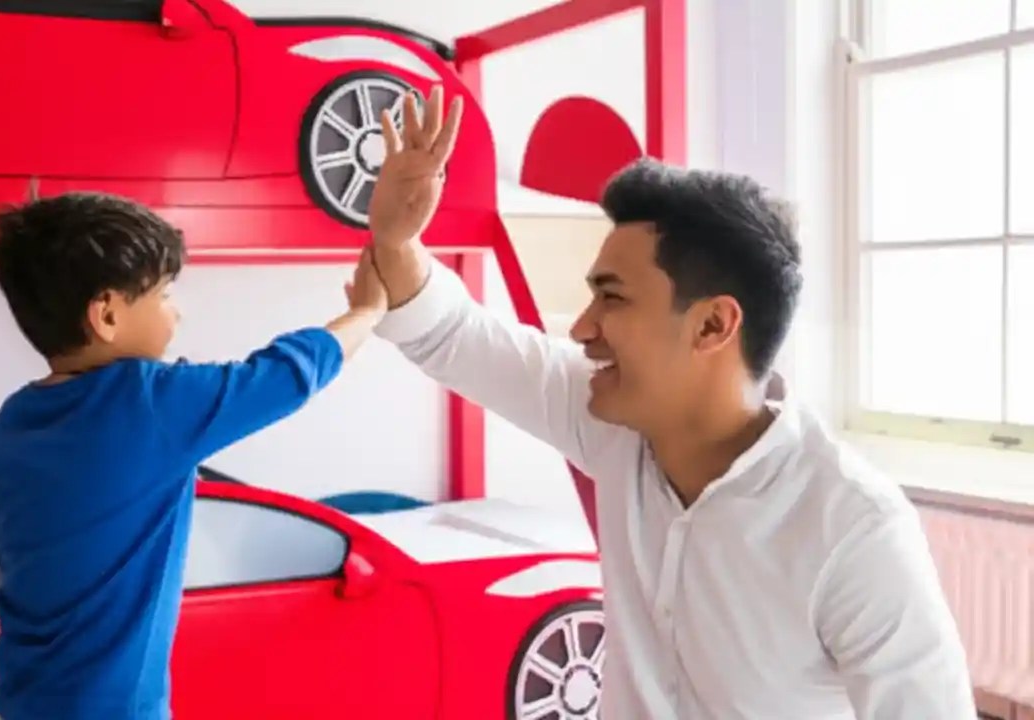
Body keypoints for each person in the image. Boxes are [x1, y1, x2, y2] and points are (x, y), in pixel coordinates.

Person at [365, 86, 976, 719]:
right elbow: (453, 334)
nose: (581, 327)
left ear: (712, 326)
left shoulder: (852, 526)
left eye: (614, 298)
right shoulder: (614, 420)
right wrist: (395, 237)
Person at [0, 192, 388, 720]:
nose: (177, 310)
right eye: (164, 294)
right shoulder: (152, 404)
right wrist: (365, 312)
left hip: (16, 705)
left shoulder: (8, 427)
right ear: (106, 314)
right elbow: (285, 376)